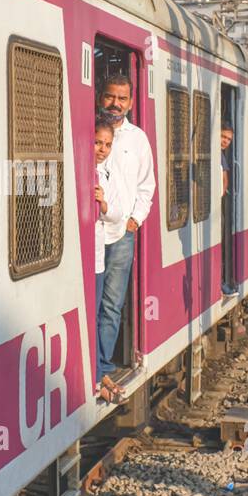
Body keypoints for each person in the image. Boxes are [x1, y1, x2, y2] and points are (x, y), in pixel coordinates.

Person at [94, 74, 155, 397]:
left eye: (121, 98)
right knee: (91, 302)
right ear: (100, 97)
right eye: (109, 96)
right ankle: (93, 369)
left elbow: (147, 184)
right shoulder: (88, 129)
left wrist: (136, 219)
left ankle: (103, 367)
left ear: (131, 103)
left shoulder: (138, 139)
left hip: (121, 233)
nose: (115, 104)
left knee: (112, 304)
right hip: (92, 233)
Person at [93, 119, 126, 404]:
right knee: (90, 313)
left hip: (97, 257)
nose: (102, 149)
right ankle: (95, 375)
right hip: (86, 257)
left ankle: (99, 371)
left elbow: (117, 213)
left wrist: (103, 204)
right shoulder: (83, 169)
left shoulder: (107, 173)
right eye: (97, 142)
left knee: (101, 309)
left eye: (107, 144)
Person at [219, 123, 237, 296]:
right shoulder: (212, 153)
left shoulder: (221, 156)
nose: (225, 141)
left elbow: (225, 178)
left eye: (228, 139)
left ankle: (223, 281)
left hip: (218, 205)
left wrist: (221, 193)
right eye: (223, 137)